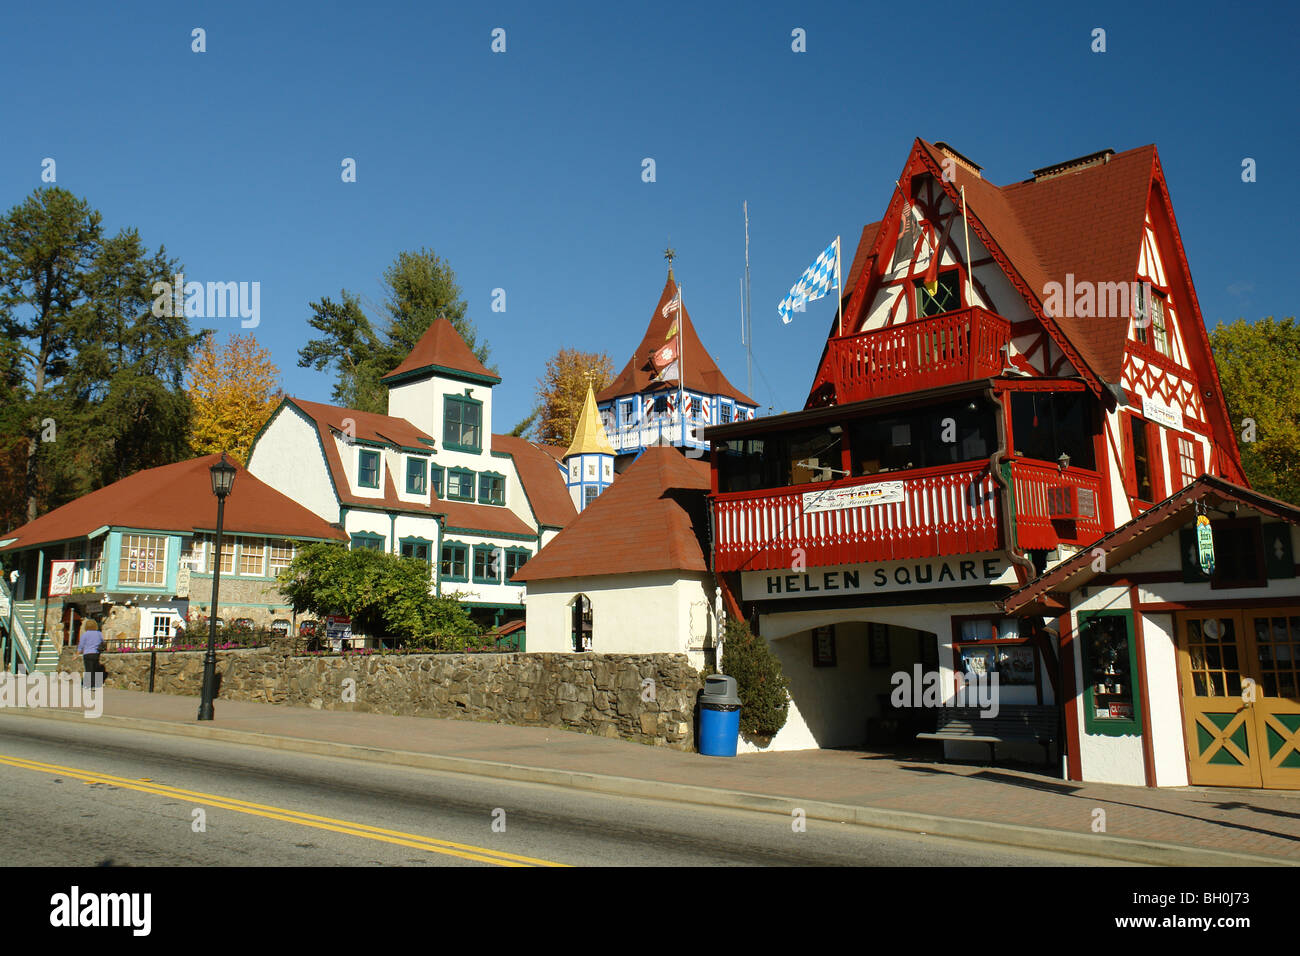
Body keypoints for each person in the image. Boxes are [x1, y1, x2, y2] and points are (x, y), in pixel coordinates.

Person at [78, 618, 104, 690]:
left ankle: (88, 685)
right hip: (96, 653)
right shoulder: (99, 633)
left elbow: (81, 645)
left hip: (87, 654)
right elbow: (102, 641)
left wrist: (77, 653)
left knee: (88, 669)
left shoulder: (85, 634)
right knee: (95, 668)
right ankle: (96, 684)